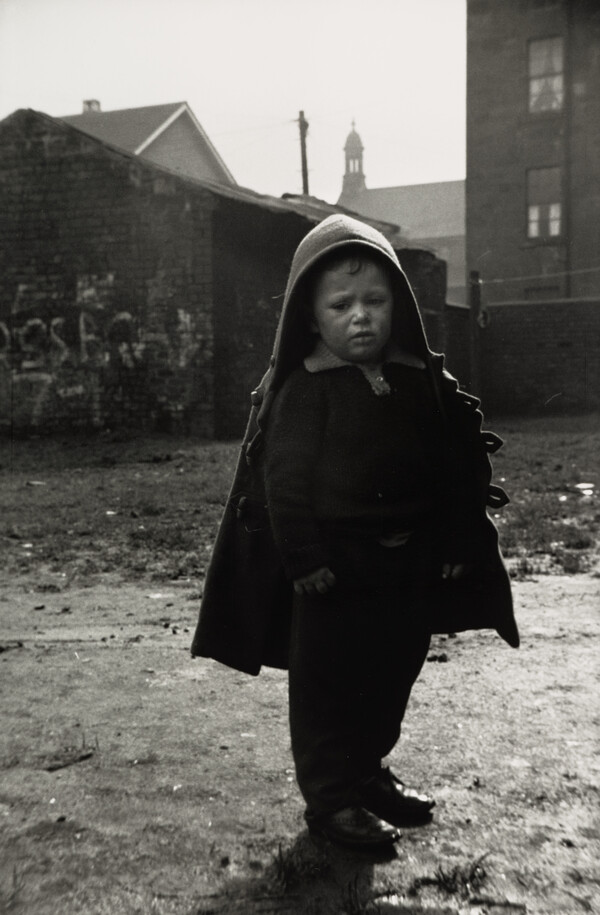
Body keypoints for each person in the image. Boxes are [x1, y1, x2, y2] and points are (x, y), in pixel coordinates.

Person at [191, 214, 519, 850]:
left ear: (399, 305)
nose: (361, 317)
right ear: (312, 320)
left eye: (375, 301)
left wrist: (459, 540)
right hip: (333, 575)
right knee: (327, 689)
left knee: (392, 675)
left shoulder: (421, 382)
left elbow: (457, 467)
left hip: (408, 568)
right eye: (341, 305)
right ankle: (331, 802)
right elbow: (283, 484)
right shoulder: (304, 390)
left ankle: (367, 772)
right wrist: (304, 558)